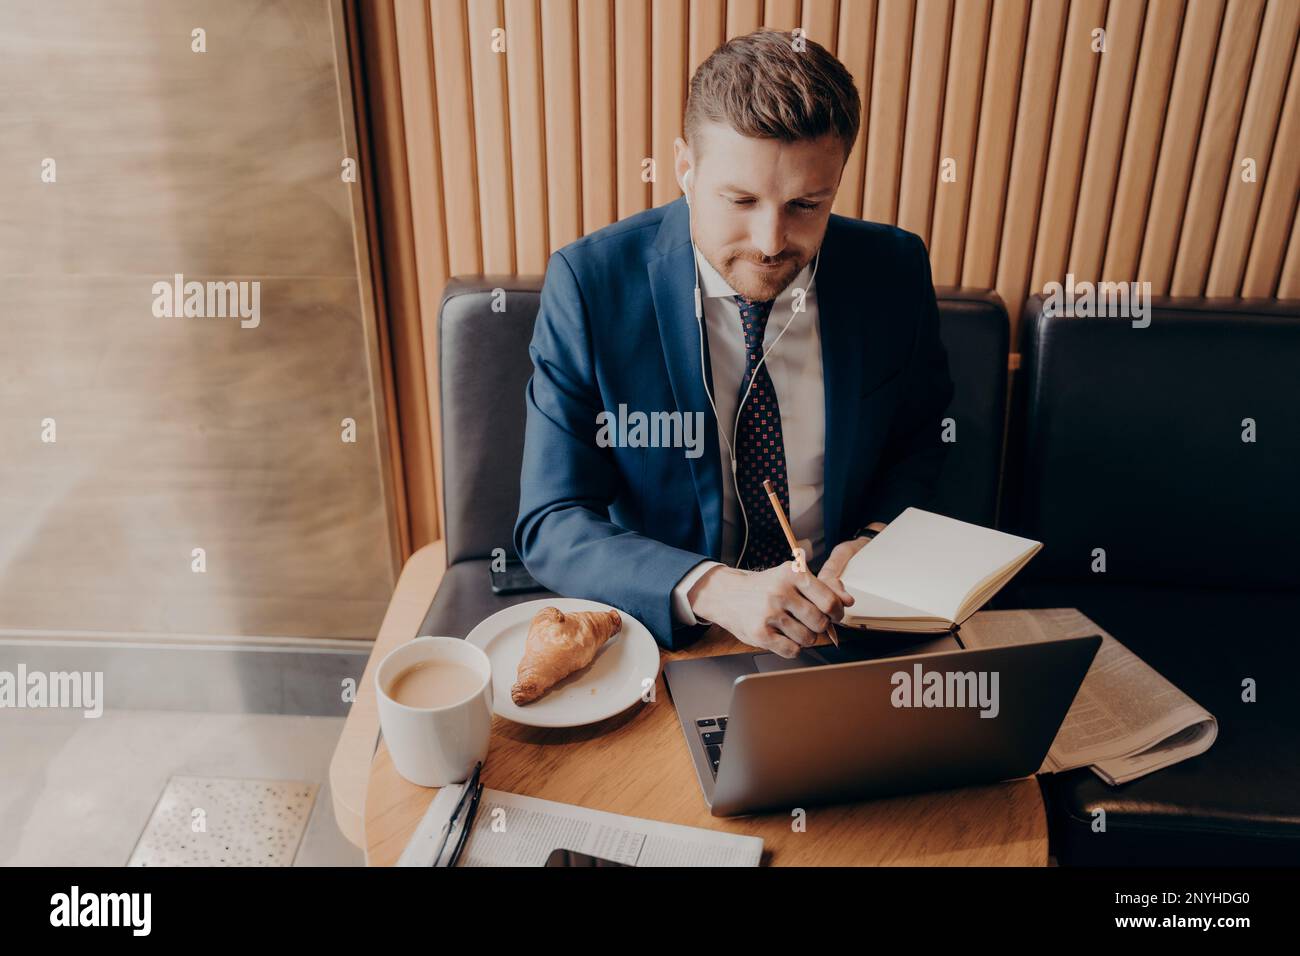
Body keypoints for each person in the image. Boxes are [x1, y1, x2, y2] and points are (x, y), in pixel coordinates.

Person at [514, 29, 953, 658]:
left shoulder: (896, 269)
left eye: (807, 203)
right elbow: (551, 520)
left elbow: (922, 440)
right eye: (740, 200)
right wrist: (713, 588)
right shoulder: (590, 285)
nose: (771, 240)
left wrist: (877, 539)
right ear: (685, 169)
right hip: (678, 633)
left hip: (852, 624)